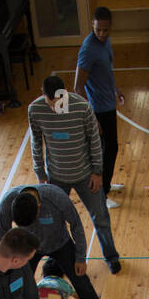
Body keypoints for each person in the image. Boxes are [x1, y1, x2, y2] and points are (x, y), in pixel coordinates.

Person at [28, 75, 121, 275]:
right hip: (55, 178)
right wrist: (40, 172)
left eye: (60, 103)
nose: (56, 108)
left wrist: (97, 172)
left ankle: (111, 257)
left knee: (101, 218)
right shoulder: (35, 110)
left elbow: (95, 141)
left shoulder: (82, 107)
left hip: (85, 175)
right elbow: (35, 142)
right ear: (44, 95)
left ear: (65, 93)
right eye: (51, 104)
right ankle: (57, 261)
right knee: (54, 221)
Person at [0, 185, 106, 299]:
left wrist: (80, 258)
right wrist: (8, 267)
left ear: (39, 207)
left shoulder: (56, 197)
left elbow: (76, 225)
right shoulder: (6, 204)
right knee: (17, 288)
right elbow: (3, 238)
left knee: (81, 283)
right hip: (27, 248)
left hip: (60, 244)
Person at [74, 7, 125, 209]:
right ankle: (101, 194)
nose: (102, 34)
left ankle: (106, 185)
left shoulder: (106, 42)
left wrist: (115, 89)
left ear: (111, 26)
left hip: (108, 103)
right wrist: (91, 117)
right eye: (98, 30)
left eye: (105, 30)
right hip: (98, 109)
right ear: (92, 26)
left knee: (110, 148)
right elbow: (78, 87)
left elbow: (106, 71)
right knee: (105, 150)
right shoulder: (88, 50)